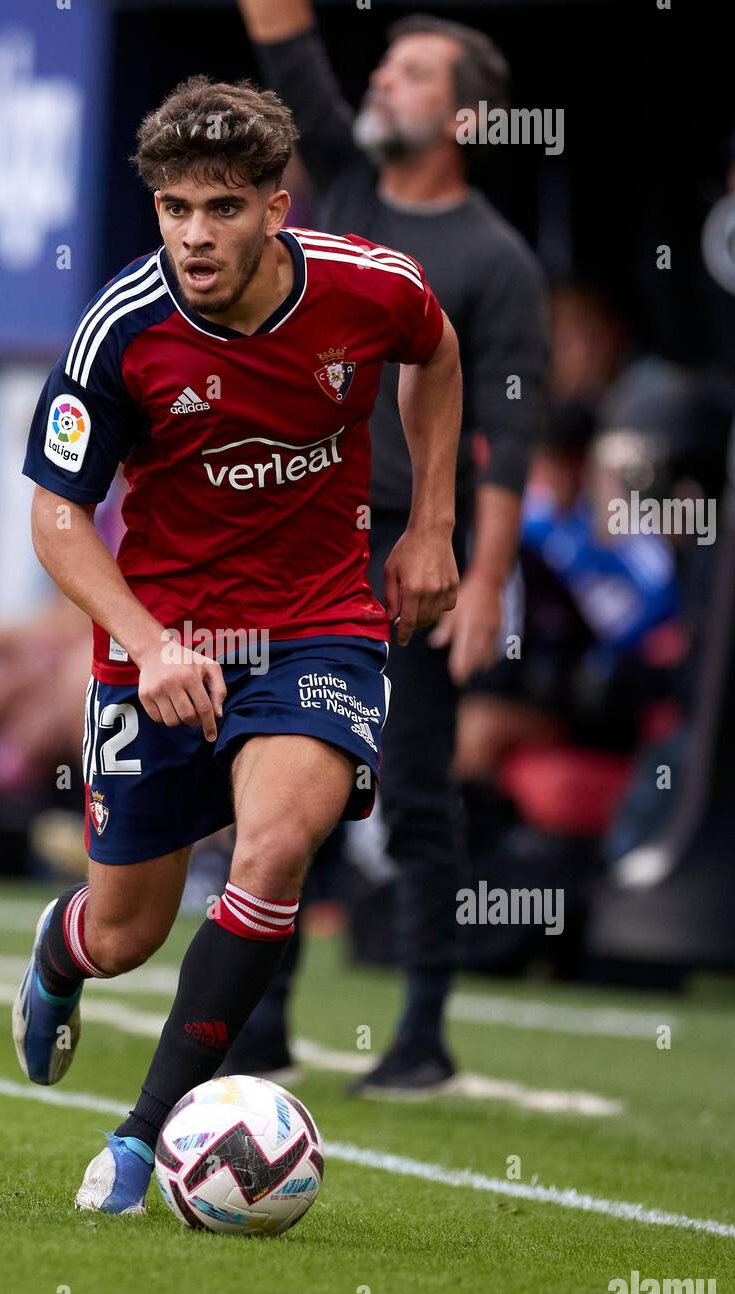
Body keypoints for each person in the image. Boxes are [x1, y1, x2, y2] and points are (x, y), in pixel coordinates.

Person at [13, 75, 461, 1214]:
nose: (194, 236)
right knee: (125, 934)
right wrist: (148, 642)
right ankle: (59, 957)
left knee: (269, 854)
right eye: (172, 209)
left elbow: (438, 351)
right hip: (162, 639)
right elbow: (57, 515)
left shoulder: (369, 288)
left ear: (275, 204)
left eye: (220, 207)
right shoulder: (120, 329)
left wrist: (430, 524)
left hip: (318, 622)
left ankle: (140, 1135)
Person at [227, 2, 549, 1095]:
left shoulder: (495, 259)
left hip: (408, 556)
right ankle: (257, 1025)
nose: (382, 83)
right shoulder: (348, 188)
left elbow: (508, 434)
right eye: (385, 67)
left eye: (410, 73)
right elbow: (287, 48)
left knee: (411, 791)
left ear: (461, 113)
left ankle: (420, 1037)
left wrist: (482, 575)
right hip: (296, 539)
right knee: (274, 783)